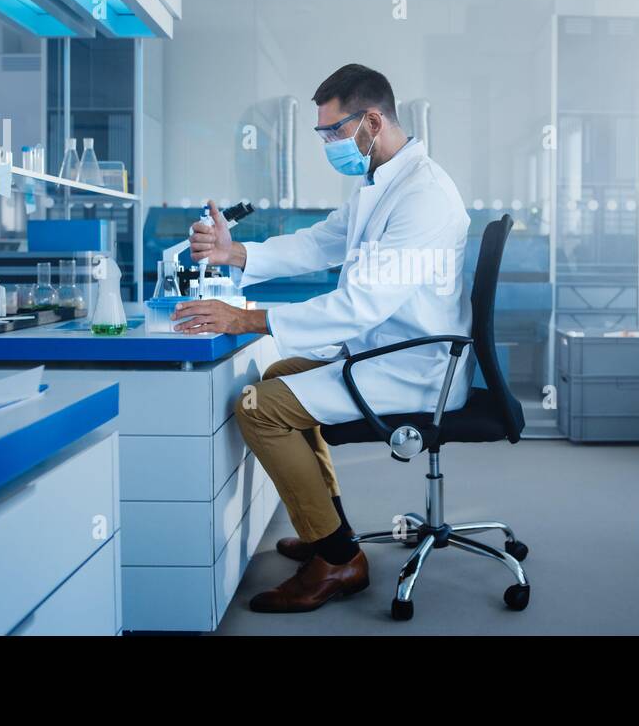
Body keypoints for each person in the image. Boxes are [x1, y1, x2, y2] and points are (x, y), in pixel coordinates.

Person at [173, 63, 472, 613]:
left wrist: (246, 319)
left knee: (257, 406)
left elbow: (361, 306)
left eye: (333, 131)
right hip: (384, 354)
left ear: (372, 121)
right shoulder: (380, 183)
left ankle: (336, 559)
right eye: (322, 134)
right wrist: (233, 252)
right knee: (278, 378)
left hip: (416, 368)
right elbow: (320, 243)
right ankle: (328, 531)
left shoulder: (423, 195)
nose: (328, 144)